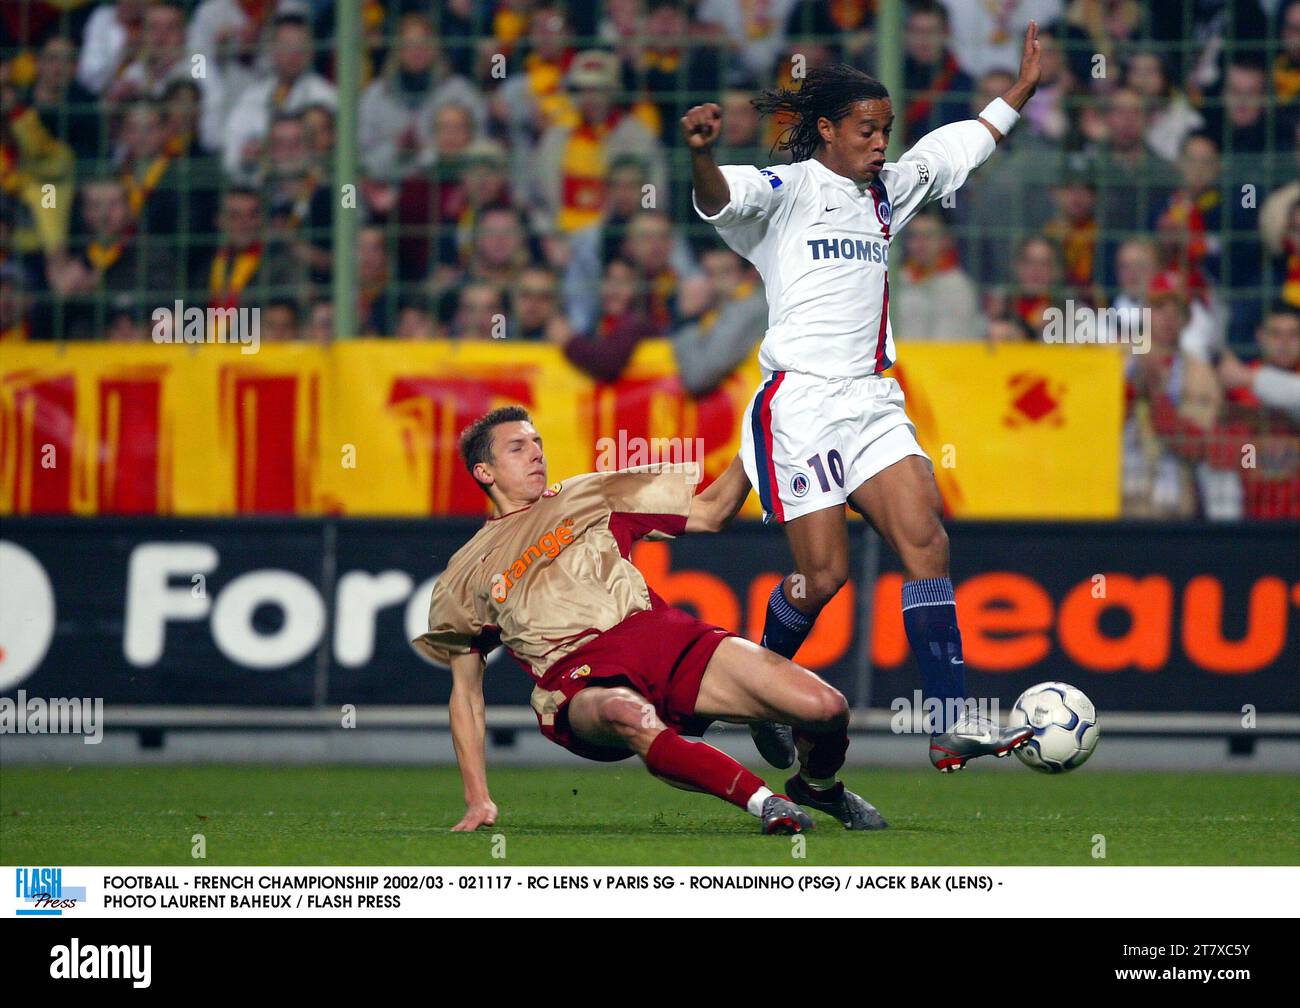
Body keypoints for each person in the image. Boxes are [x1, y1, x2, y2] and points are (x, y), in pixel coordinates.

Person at [682, 23, 1047, 773]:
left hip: (872, 400)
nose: (880, 143)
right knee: (823, 579)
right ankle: (754, 690)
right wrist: (699, 154)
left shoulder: (891, 191)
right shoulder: (787, 192)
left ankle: (949, 721)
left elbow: (965, 143)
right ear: (826, 129)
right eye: (866, 130)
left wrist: (1019, 93)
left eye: (885, 131)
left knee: (926, 537)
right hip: (803, 403)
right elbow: (721, 196)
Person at [414, 407, 886, 834]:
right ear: (484, 471)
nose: (536, 454)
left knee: (827, 708)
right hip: (574, 680)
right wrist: (477, 798)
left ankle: (818, 786)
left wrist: (757, 436)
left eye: (538, 443)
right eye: (517, 448)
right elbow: (467, 696)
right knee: (626, 712)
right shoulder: (463, 573)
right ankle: (767, 802)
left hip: (659, 638)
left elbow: (712, 511)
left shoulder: (587, 493)